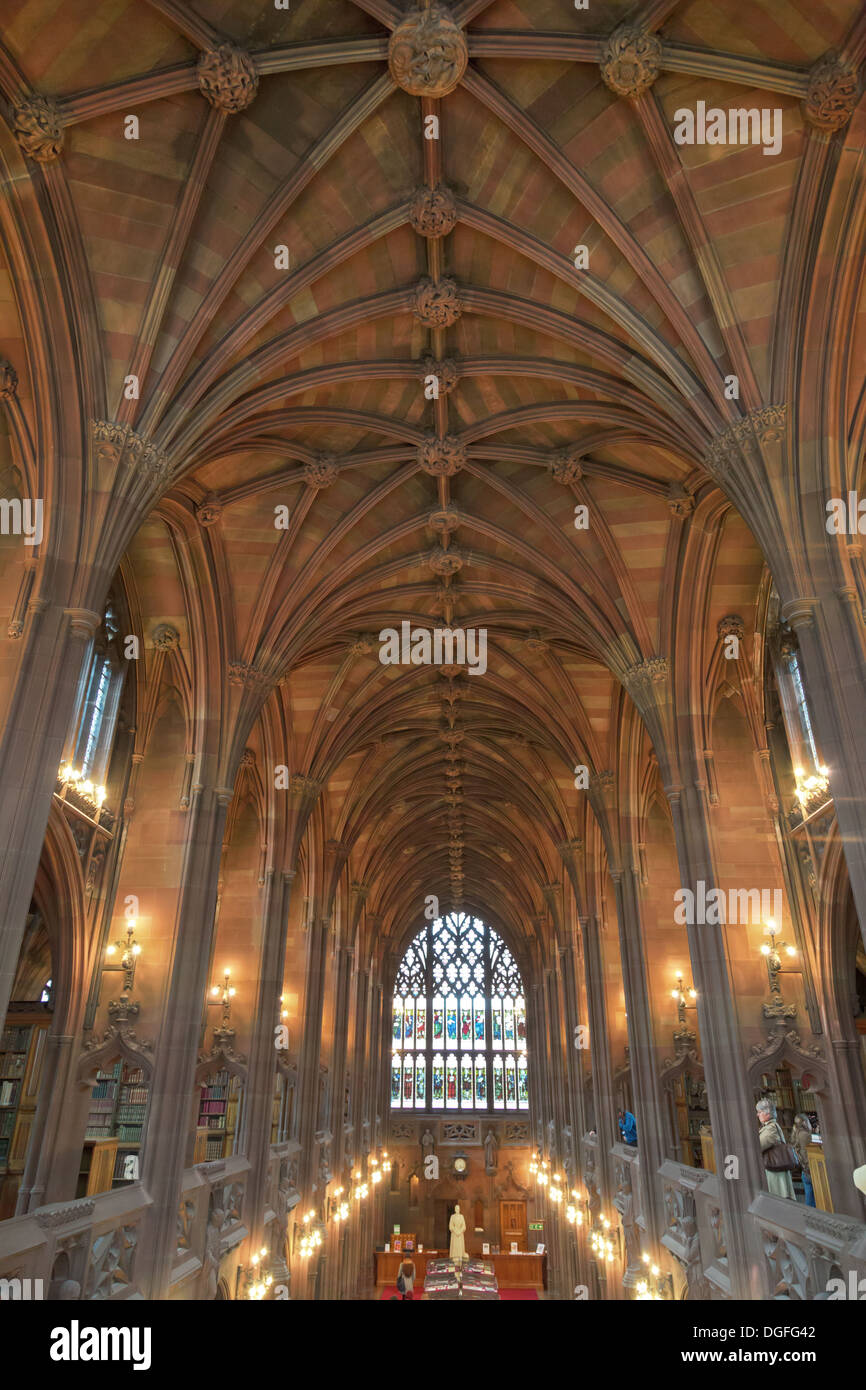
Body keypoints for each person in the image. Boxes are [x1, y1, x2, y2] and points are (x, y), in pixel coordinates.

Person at [756, 1097, 795, 1199]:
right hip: (774, 1170)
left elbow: (757, 1147)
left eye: (760, 1112)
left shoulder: (771, 1128)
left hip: (775, 1172)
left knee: (778, 1202)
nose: (758, 1115)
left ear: (767, 1113)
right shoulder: (769, 1127)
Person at [790, 1113, 816, 1206]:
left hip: (804, 1171)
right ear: (805, 1122)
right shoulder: (805, 1135)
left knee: (809, 1199)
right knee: (819, 1199)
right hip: (812, 1170)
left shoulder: (795, 1134)